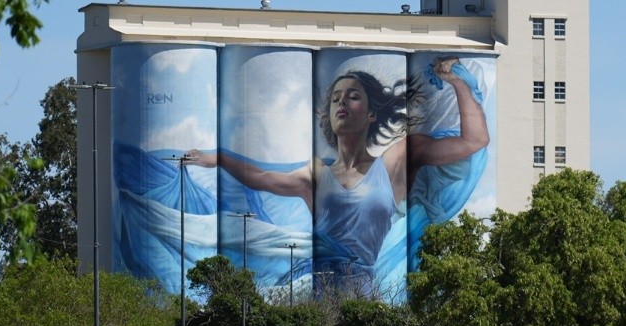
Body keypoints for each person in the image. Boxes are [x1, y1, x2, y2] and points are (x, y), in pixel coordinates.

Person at [188, 57, 488, 294]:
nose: (342, 102)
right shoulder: (315, 175)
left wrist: (457, 82)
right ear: (329, 117)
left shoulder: (394, 162)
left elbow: (474, 142)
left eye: (353, 96)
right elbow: (261, 176)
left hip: (363, 291)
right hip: (315, 292)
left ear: (371, 113)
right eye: (336, 98)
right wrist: (217, 159)